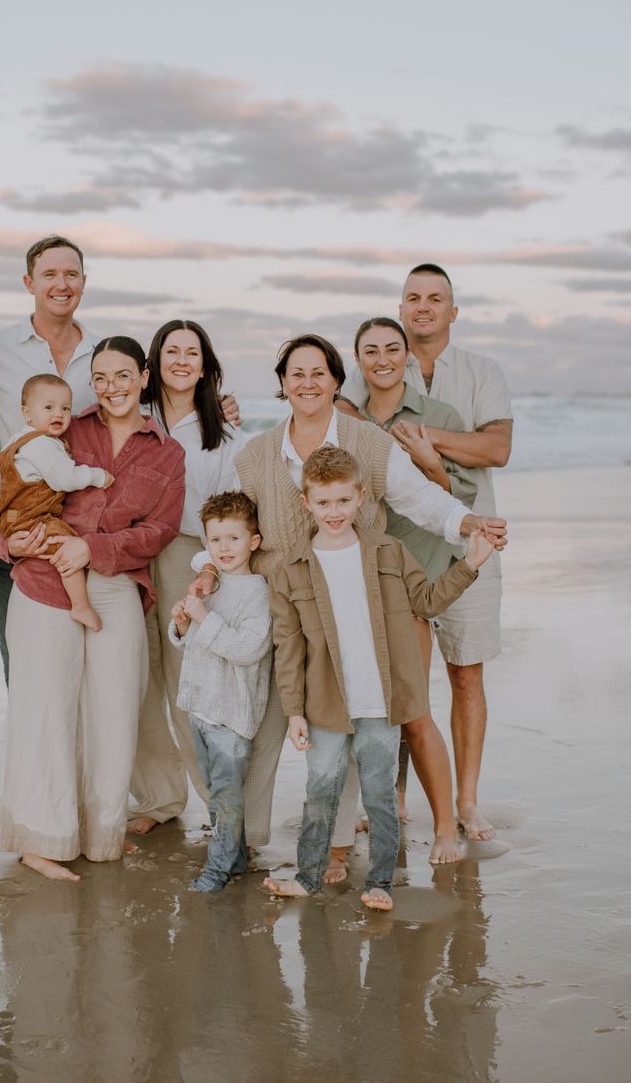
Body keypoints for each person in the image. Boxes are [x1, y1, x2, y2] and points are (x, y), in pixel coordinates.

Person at [192, 334, 507, 875]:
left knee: (350, 723)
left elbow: (421, 498)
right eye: (297, 374)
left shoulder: (369, 443)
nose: (308, 383)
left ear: (337, 381)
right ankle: (243, 835)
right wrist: (205, 570)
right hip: (281, 607)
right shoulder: (255, 455)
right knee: (264, 723)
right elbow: (230, 527)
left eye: (319, 373)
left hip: (355, 610)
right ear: (283, 385)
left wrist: (467, 521)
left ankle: (339, 846)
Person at [0, 241, 240, 679]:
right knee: (27, 670)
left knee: (90, 670)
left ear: (84, 283)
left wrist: (212, 407)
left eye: (71, 274)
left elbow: (139, 404)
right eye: (49, 274)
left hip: (86, 538)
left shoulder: (102, 352)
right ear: (29, 283)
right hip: (17, 538)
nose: (61, 284)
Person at [263, 447, 494, 910]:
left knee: (380, 794)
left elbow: (426, 601)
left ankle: (380, 883)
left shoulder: (389, 552)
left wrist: (468, 566)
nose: (334, 512)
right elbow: (287, 648)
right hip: (325, 704)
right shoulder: (290, 569)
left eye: (343, 501)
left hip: (380, 700)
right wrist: (293, 711)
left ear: (361, 498)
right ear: (306, 502)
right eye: (324, 502)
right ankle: (307, 877)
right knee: (319, 792)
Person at [0, 336, 186, 881]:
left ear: (144, 376)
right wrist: (15, 543)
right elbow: (13, 493)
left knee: (114, 710)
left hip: (116, 580)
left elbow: (162, 529)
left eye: (123, 375)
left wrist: (95, 549)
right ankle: (41, 839)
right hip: (42, 578)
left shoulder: (166, 452)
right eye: (101, 377)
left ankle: (101, 833)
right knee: (45, 706)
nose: (111, 387)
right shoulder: (64, 428)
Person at [338, 265, 513, 841]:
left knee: (466, 676)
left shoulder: (479, 372)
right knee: (404, 682)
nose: (423, 307)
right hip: (399, 553)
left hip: (469, 544)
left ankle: (466, 801)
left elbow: (496, 448)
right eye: (412, 297)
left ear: (453, 311)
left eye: (435, 299)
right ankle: (395, 796)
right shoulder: (379, 364)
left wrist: (418, 438)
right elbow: (335, 420)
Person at [351, 316, 477, 863]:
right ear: (357, 360)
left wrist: (429, 462)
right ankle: (392, 802)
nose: (382, 358)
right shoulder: (347, 421)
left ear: (407, 355)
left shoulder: (438, 418)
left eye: (392, 348)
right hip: (359, 573)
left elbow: (457, 497)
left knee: (414, 705)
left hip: (417, 573)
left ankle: (446, 825)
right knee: (375, 705)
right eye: (370, 350)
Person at [127, 319, 246, 836]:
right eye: (171, 351)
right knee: (137, 679)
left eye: (191, 352)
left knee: (189, 686)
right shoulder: (132, 414)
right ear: (154, 362)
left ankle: (220, 808)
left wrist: (213, 571)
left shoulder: (223, 432)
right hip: (130, 554)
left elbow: (230, 511)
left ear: (205, 365)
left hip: (189, 558)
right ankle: (159, 798)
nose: (181, 360)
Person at [168, 491, 272, 892]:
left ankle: (216, 869)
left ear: (254, 542)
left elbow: (248, 651)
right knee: (216, 791)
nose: (224, 548)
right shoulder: (211, 582)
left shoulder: (258, 593)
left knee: (227, 796)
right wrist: (181, 624)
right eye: (215, 540)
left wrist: (203, 617)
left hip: (231, 715)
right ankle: (237, 858)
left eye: (234, 538)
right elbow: (189, 640)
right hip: (200, 705)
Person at [0, 372, 114, 631]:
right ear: (27, 413)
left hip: (10, 515)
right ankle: (81, 606)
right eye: (48, 407)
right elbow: (65, 479)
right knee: (65, 546)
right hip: (32, 516)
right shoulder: (43, 445)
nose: (58, 414)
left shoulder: (18, 440)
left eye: (66, 408)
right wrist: (96, 475)